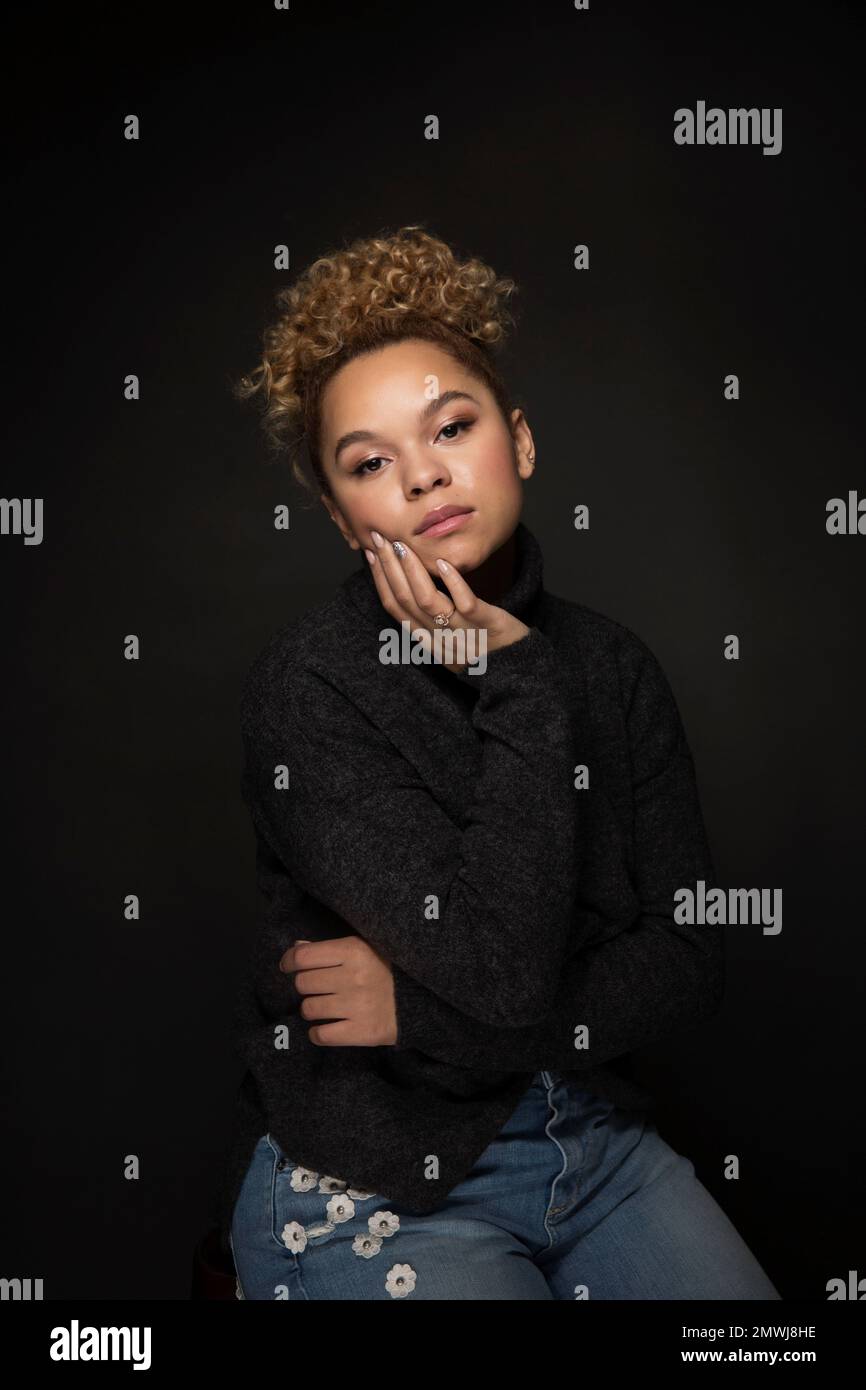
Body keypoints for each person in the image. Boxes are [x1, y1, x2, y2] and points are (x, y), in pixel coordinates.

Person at [215, 224, 781, 1300]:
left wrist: (415, 1008)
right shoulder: (312, 689)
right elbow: (499, 965)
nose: (422, 475)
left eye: (451, 427)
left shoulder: (611, 668)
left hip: (593, 1143)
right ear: (343, 519)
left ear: (516, 441)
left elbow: (686, 960)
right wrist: (515, 683)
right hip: (377, 1177)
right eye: (371, 463)